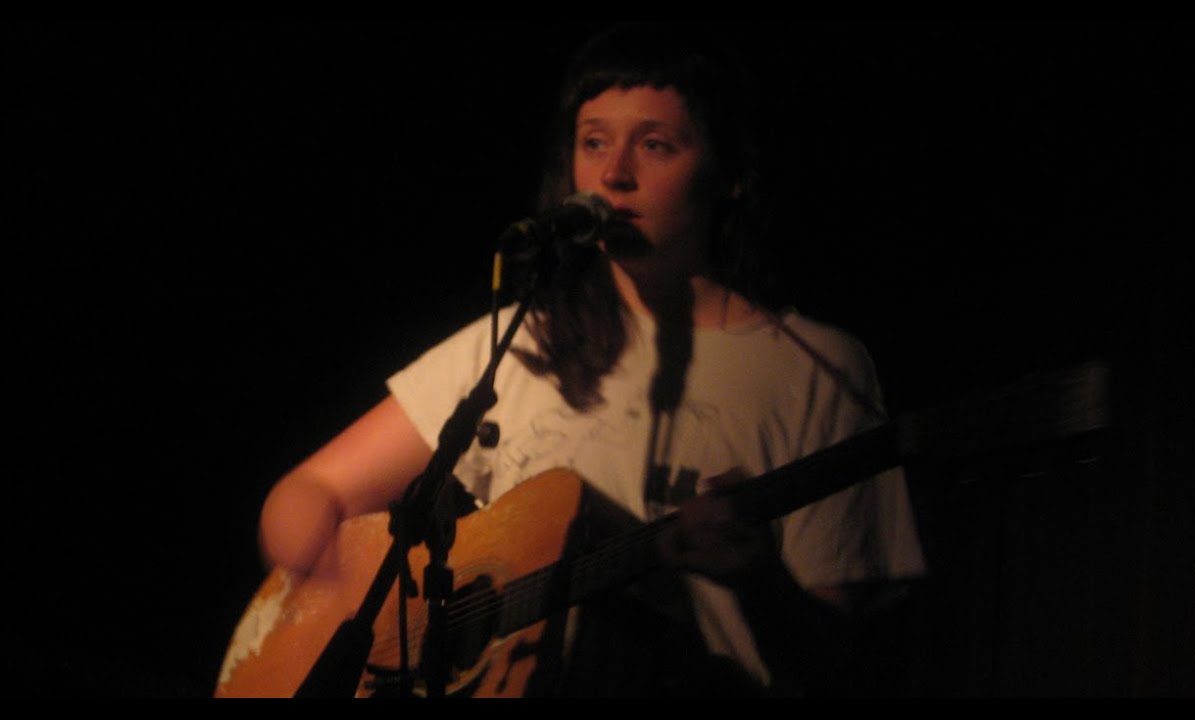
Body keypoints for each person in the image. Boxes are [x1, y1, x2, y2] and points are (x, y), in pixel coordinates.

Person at [257, 23, 927, 696]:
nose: (615, 174)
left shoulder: (816, 372)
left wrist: (756, 579)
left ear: (730, 174)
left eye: (656, 144)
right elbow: (310, 492)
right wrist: (348, 608)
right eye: (594, 142)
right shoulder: (526, 341)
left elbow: (841, 670)